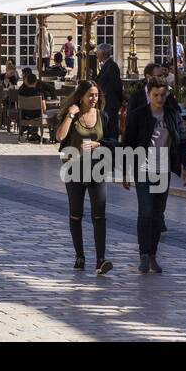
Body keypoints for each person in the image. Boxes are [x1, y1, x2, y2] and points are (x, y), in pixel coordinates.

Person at [122, 77, 186, 273]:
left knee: (158, 214)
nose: (159, 99)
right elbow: (128, 143)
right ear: (149, 94)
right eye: (155, 95)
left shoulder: (172, 115)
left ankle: (152, 253)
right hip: (143, 168)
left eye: (162, 95)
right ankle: (144, 254)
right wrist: (125, 170)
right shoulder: (138, 116)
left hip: (163, 168)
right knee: (146, 211)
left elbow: (183, 141)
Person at [56, 80, 113, 275]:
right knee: (76, 214)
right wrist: (71, 115)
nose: (94, 99)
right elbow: (60, 137)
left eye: (96, 95)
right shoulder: (70, 115)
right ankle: (79, 256)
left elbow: (112, 141)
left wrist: (99, 145)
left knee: (100, 215)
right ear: (80, 96)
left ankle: (101, 259)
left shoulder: (102, 116)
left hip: (97, 169)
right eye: (90, 95)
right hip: (74, 170)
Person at [94, 44, 123, 143]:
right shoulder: (106, 65)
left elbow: (117, 86)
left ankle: (112, 150)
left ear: (103, 53)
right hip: (107, 103)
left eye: (97, 52)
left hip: (111, 103)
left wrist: (121, 100)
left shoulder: (112, 66)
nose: (96, 54)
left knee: (111, 130)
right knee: (106, 129)